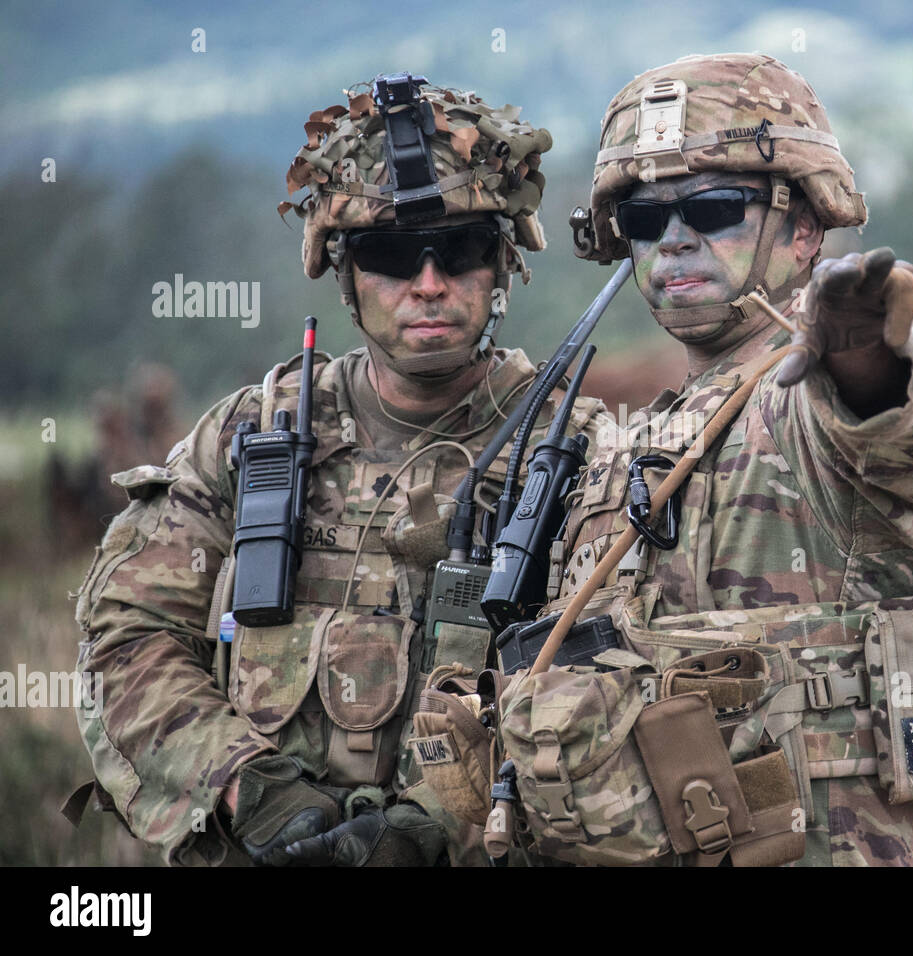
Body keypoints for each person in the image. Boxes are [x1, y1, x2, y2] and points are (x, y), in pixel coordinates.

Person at [504, 53, 913, 867]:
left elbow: (902, 425)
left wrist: (870, 352)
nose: (676, 238)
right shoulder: (637, 434)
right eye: (646, 220)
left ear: (804, 229)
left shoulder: (812, 390)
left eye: (715, 208)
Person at [67, 73, 609, 867]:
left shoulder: (577, 454)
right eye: (392, 256)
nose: (428, 285)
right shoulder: (254, 437)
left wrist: (434, 824)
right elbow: (127, 637)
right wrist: (249, 788)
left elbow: (611, 692)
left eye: (458, 251)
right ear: (346, 273)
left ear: (501, 267)